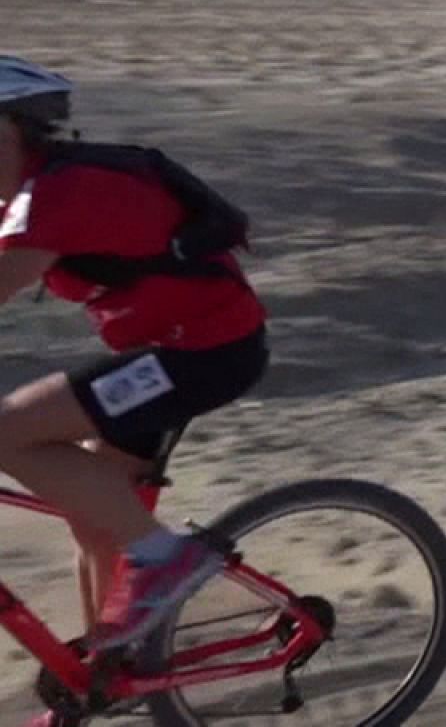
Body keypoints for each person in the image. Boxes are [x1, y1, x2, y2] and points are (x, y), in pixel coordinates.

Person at [0, 56, 269, 658]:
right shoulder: (24, 195)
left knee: (7, 432)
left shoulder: (58, 192)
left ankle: (168, 560)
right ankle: (102, 673)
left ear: (13, 130)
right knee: (94, 518)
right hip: (166, 350)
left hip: (202, 349)